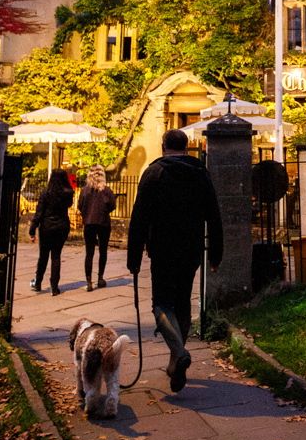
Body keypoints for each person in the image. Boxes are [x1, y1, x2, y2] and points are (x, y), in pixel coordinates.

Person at [126, 129, 223, 392]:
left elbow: (139, 217)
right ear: (187, 146)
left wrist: (133, 256)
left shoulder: (154, 173)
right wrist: (216, 253)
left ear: (162, 145)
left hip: (163, 249)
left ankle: (179, 352)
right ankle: (174, 361)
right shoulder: (200, 172)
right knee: (182, 301)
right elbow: (213, 214)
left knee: (162, 303)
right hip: (191, 249)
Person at [28, 168, 75, 295]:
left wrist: (32, 229)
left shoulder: (46, 193)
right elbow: (69, 205)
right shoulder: (68, 193)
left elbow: (39, 213)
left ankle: (38, 283)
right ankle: (54, 287)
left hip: (46, 227)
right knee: (56, 256)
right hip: (62, 226)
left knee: (43, 256)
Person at [77, 164, 116, 292]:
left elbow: (80, 206)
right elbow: (112, 206)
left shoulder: (85, 190)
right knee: (103, 251)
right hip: (103, 222)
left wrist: (86, 213)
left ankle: (88, 281)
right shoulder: (107, 190)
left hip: (89, 223)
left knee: (89, 253)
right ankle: (100, 278)